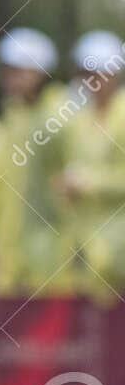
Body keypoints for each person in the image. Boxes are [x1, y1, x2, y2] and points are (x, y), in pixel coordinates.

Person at [0, 28, 69, 296]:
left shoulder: (63, 112)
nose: (9, 78)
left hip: (53, 248)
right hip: (12, 251)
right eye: (6, 71)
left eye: (17, 71)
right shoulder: (14, 115)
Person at [56, 30, 125, 302]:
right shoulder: (75, 118)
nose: (93, 81)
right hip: (84, 249)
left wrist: (89, 182)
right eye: (86, 73)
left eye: (98, 73)